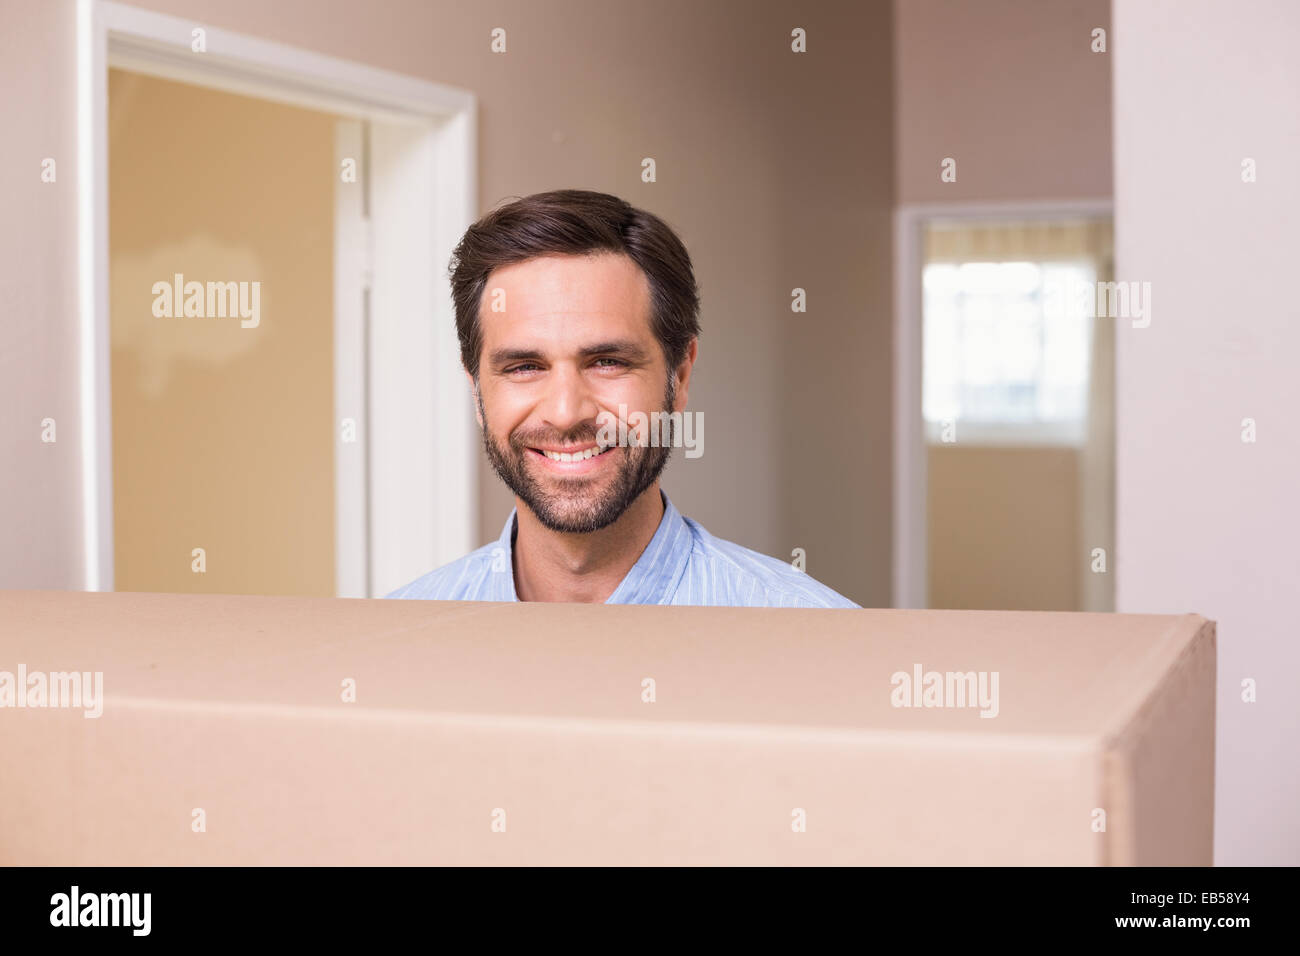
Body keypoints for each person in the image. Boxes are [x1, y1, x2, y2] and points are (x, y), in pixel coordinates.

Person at [387, 189, 857, 608]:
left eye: (607, 361)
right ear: (476, 392)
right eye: (524, 367)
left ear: (681, 374)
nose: (566, 413)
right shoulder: (398, 639)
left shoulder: (815, 634)